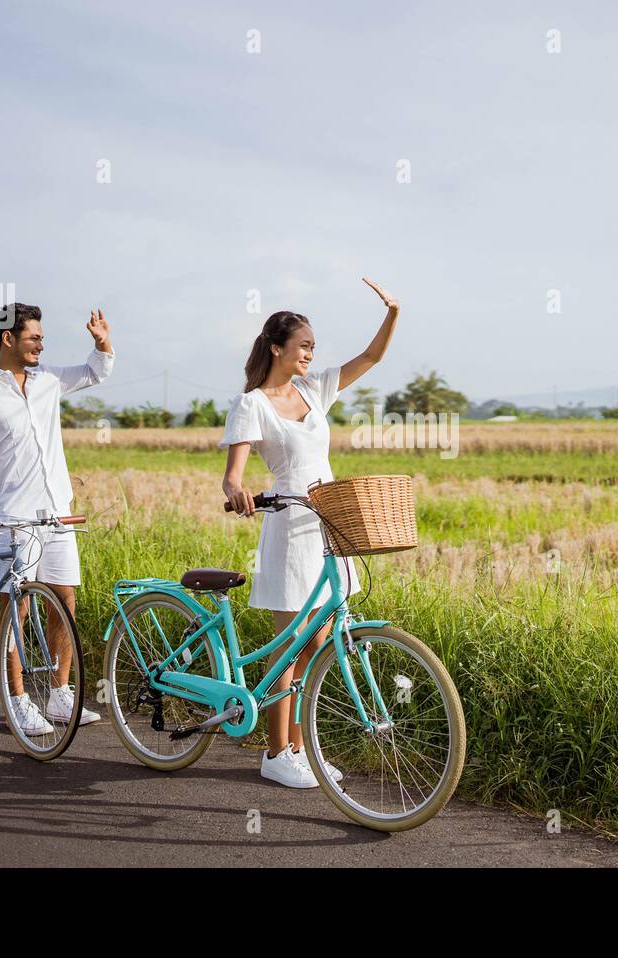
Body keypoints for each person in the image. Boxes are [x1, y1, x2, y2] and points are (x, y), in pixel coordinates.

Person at [220, 277, 399, 788]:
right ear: (277, 347)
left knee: (317, 644)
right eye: (303, 346)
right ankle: (276, 753)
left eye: (314, 348)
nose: (310, 355)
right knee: (289, 647)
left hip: (329, 521)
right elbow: (233, 473)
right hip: (288, 526)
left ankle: (299, 746)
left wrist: (392, 314)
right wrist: (236, 491)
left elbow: (371, 358)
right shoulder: (251, 403)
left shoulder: (312, 388)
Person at [0, 302, 114, 735]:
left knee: (64, 600)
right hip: (14, 518)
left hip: (57, 514)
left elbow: (94, 371)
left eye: (41, 336)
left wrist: (102, 341)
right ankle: (17, 699)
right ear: (7, 339)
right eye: (33, 336)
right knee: (17, 606)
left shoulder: (48, 380)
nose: (41, 342)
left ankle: (58, 693)